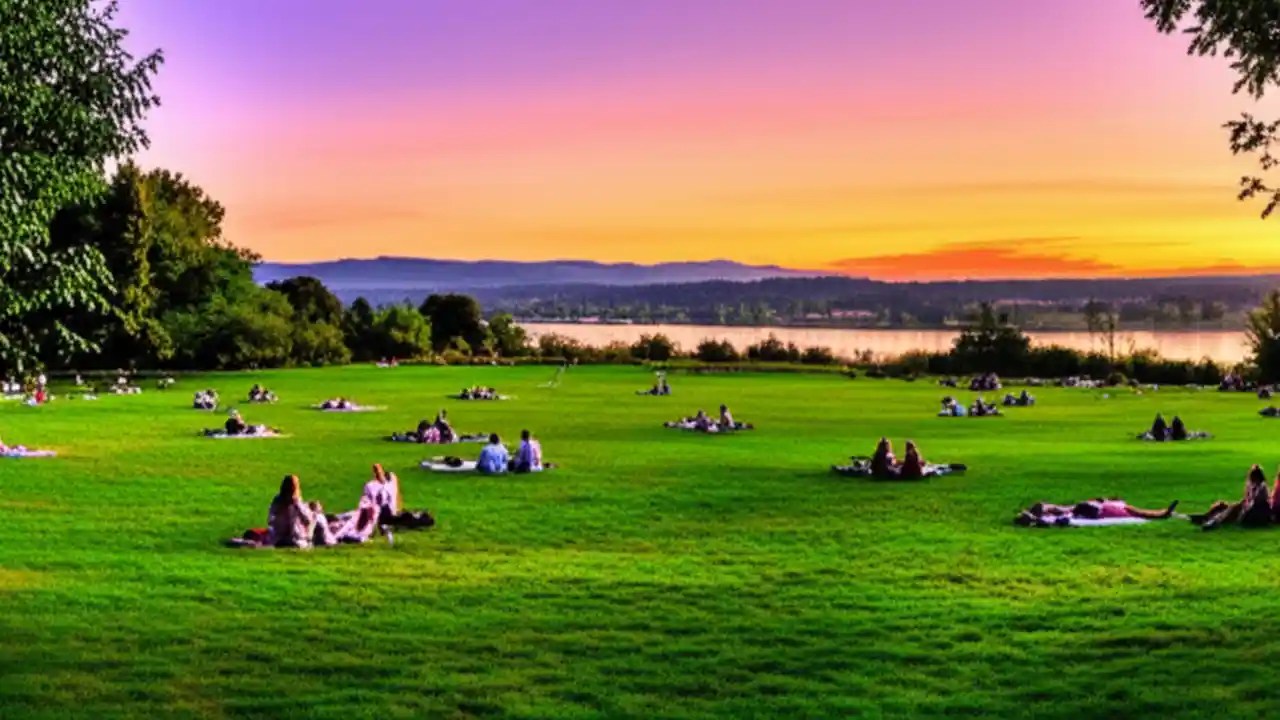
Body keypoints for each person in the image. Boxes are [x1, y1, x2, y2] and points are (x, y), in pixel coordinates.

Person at [1195, 465, 1272, 530]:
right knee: (1223, 506)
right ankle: (1209, 518)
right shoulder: (1253, 486)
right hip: (1249, 508)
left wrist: (1243, 507)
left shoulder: (1261, 487)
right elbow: (1247, 499)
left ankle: (1214, 522)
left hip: (1256, 511)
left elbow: (1256, 502)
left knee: (1232, 510)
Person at [266, 475, 315, 548]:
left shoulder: (278, 500)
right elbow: (307, 519)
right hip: (294, 538)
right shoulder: (294, 501)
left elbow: (270, 519)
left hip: (282, 538)